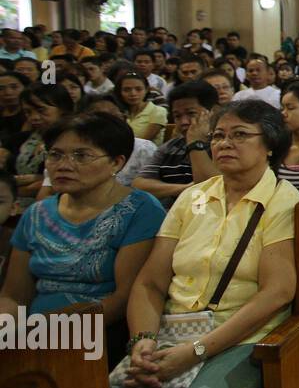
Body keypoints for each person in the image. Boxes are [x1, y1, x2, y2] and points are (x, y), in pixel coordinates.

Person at [111, 100, 299, 388]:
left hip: (243, 340)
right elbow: (150, 281)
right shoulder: (192, 198)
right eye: (217, 135)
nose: (224, 143)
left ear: (270, 145)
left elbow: (277, 292)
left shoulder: (284, 203)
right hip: (173, 331)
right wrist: (142, 340)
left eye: (239, 135)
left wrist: (196, 352)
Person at [0, 114, 164, 353]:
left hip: (100, 334)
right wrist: (7, 328)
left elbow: (124, 297)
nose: (63, 165)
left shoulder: (141, 210)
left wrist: (50, 333)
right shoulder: (37, 213)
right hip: (31, 335)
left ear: (116, 163)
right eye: (55, 154)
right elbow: (15, 296)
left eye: (81, 156)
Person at [132, 81, 219, 208]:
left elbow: (212, 189)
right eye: (177, 116)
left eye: (191, 113)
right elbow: (139, 184)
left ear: (212, 112)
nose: (183, 122)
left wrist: (195, 143)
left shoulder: (223, 146)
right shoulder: (170, 147)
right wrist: (184, 189)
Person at [15, 84, 74, 210]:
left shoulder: (74, 141)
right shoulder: (20, 139)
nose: (34, 117)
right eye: (28, 112)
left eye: (41, 110)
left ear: (62, 109)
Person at [119, 72, 168, 146]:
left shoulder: (158, 111)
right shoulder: (120, 112)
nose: (133, 93)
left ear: (147, 90)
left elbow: (143, 143)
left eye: (138, 89)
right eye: (126, 90)